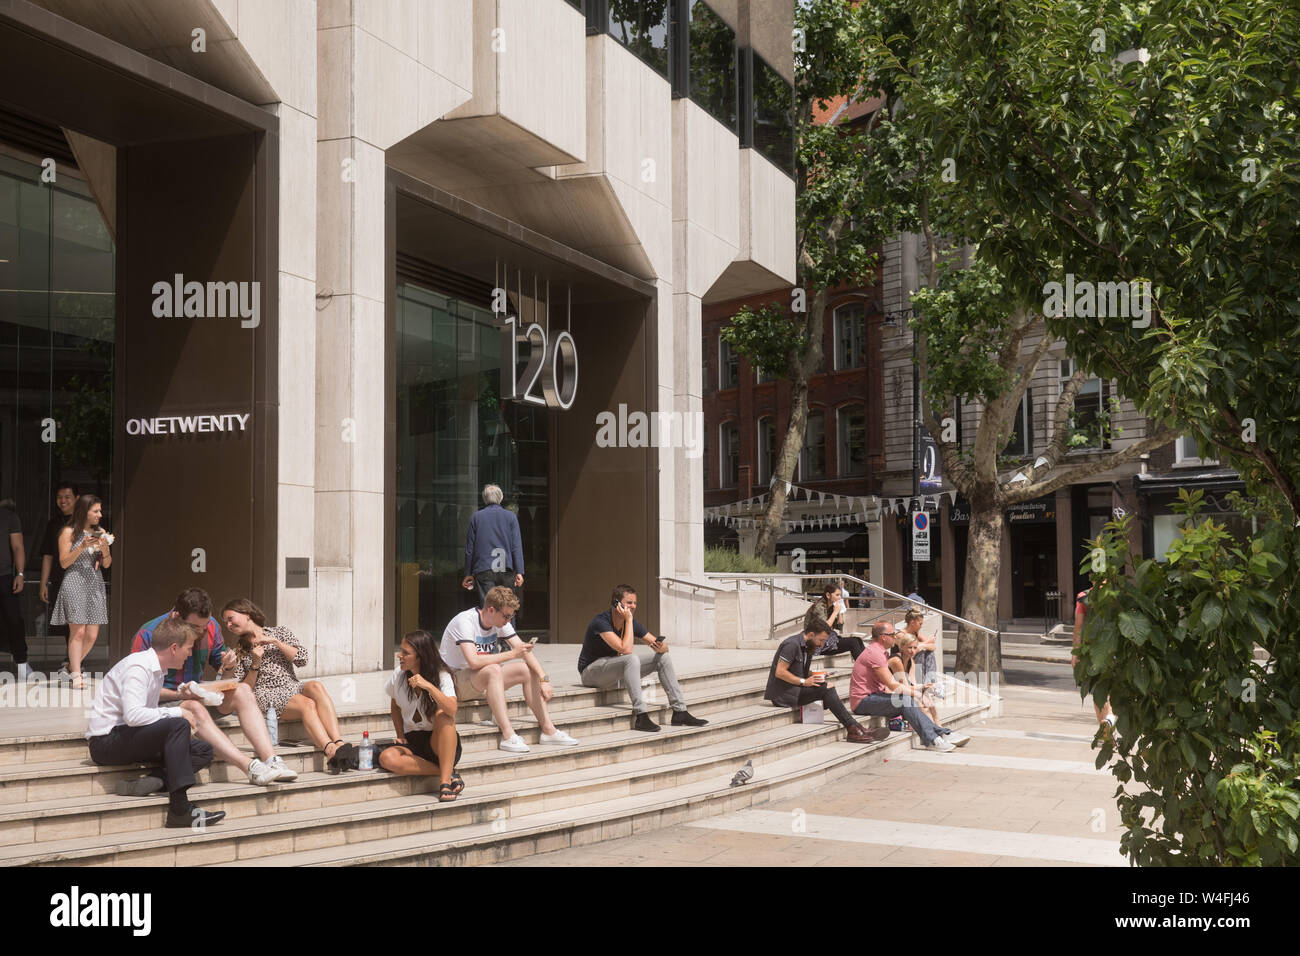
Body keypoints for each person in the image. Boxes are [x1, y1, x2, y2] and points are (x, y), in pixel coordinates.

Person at [130, 588, 296, 786]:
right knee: (194, 707)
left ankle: (272, 760)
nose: (201, 631)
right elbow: (140, 693)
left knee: (242, 690)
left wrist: (229, 666)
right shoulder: (149, 634)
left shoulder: (212, 627)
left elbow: (223, 672)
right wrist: (180, 694)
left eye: (204, 625)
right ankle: (250, 767)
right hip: (164, 703)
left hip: (198, 695)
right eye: (194, 627)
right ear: (176, 616)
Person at [85, 617, 226, 829]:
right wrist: (178, 711)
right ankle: (179, 810)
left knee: (203, 750)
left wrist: (179, 696)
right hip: (106, 742)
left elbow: (144, 715)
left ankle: (156, 781)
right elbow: (133, 716)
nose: (189, 654)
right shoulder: (138, 667)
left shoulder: (156, 668)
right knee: (178, 724)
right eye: (188, 648)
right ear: (174, 648)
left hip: (128, 736)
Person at [219, 598, 354, 772]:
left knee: (316, 686)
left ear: (246, 614)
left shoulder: (280, 632)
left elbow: (302, 658)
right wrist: (255, 663)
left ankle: (339, 743)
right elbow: (244, 690)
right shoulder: (239, 651)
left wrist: (276, 642)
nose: (228, 625)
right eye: (226, 622)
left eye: (231, 618)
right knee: (307, 704)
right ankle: (330, 751)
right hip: (265, 694)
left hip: (291, 684)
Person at [440, 585, 579, 753]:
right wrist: (512, 654)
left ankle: (549, 730)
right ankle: (508, 735)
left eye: (511, 617)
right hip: (454, 682)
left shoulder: (500, 622)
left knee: (525, 670)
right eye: (506, 616)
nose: (508, 621)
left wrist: (544, 678)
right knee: (493, 669)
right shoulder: (465, 621)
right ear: (491, 610)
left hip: (479, 679)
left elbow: (523, 651)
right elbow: (474, 661)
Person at [577, 584, 708, 732]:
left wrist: (662, 647)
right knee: (631, 658)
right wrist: (629, 621)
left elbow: (657, 644)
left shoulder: (630, 622)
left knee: (662, 658)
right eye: (629, 602)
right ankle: (641, 716)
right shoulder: (600, 622)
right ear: (616, 603)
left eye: (635, 603)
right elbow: (625, 649)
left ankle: (680, 712)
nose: (633, 606)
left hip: (613, 670)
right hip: (591, 673)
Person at [763, 619, 886, 744]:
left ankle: (856, 728)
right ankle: (853, 728)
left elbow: (797, 670)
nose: (822, 645)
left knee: (827, 688)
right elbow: (780, 672)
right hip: (783, 695)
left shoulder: (809, 646)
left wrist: (814, 674)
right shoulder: (791, 645)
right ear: (811, 634)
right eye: (821, 640)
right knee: (827, 689)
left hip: (795, 689)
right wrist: (804, 682)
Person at [850, 622, 969, 750]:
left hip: (874, 696)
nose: (895, 637)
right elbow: (892, 684)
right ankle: (932, 739)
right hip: (862, 701)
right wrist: (917, 693)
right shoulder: (874, 653)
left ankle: (941, 734)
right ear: (883, 637)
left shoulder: (880, 652)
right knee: (905, 700)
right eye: (892, 634)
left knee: (906, 700)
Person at [380, 630, 464, 801]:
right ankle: (448, 772)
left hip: (439, 743)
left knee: (444, 716)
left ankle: (445, 782)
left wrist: (429, 686)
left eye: (405, 653)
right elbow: (395, 704)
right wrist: (400, 735)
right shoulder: (399, 674)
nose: (399, 655)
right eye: (401, 651)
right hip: (413, 741)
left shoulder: (441, 675)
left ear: (420, 656)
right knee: (386, 758)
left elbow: (452, 709)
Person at [52, 494, 111, 689]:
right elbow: (63, 562)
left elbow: (107, 564)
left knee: (92, 635)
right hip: (75, 581)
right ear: (84, 512)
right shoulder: (68, 532)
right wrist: (82, 547)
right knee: (78, 632)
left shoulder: (100, 532)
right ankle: (77, 675)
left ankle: (70, 667)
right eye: (96, 511)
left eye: (100, 510)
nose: (100, 515)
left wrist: (106, 550)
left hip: (94, 583)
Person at [460, 484, 525, 604]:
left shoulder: (476, 517)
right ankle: (508, 623)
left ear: (485, 498)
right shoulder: (511, 517)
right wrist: (519, 571)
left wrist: (468, 573)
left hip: (484, 568)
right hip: (506, 568)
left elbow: (470, 548)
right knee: (507, 606)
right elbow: (516, 546)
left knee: (488, 606)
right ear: (500, 498)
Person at [39, 482, 77, 680]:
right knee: (65, 624)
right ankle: (71, 661)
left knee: (78, 623)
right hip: (59, 579)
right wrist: (43, 582)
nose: (63, 501)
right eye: (59, 497)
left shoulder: (84, 522)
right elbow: (47, 555)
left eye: (67, 497)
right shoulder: (53, 524)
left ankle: (73, 662)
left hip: (81, 579)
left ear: (76, 499)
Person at [888, 632, 952, 734]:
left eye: (915, 647)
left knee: (927, 696)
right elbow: (904, 686)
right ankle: (935, 730)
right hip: (890, 691)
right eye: (910, 647)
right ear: (902, 646)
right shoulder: (896, 660)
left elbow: (913, 683)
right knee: (919, 700)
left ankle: (938, 725)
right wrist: (920, 694)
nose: (913, 651)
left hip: (902, 689)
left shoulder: (910, 661)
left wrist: (926, 686)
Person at [1073, 587, 1116, 732]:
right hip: (1114, 647)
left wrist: (1076, 653)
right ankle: (1107, 725)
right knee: (1108, 690)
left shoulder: (1084, 596)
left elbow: (1079, 627)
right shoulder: (1118, 593)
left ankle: (1107, 721)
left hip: (1092, 651)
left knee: (1098, 690)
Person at [0, 500, 29, 681]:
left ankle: (22, 663)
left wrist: (19, 573)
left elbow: (18, 547)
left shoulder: (9, 517)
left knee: (14, 620)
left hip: (4, 577)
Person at [802, 581, 866, 662]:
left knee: (858, 640)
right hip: (816, 643)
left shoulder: (832, 606)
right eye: (837, 595)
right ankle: (863, 668)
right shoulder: (819, 607)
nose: (839, 598)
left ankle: (867, 665)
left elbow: (839, 627)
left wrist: (839, 612)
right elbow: (823, 628)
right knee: (853, 642)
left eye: (840, 595)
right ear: (828, 595)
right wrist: (835, 612)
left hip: (828, 639)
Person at [897, 607, 941, 697]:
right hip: (902, 663)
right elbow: (913, 649)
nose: (921, 626)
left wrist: (924, 645)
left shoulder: (917, 633)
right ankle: (923, 685)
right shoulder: (900, 635)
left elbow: (933, 647)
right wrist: (926, 642)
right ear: (912, 622)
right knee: (920, 652)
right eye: (920, 624)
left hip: (912, 661)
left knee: (929, 652)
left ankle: (930, 684)